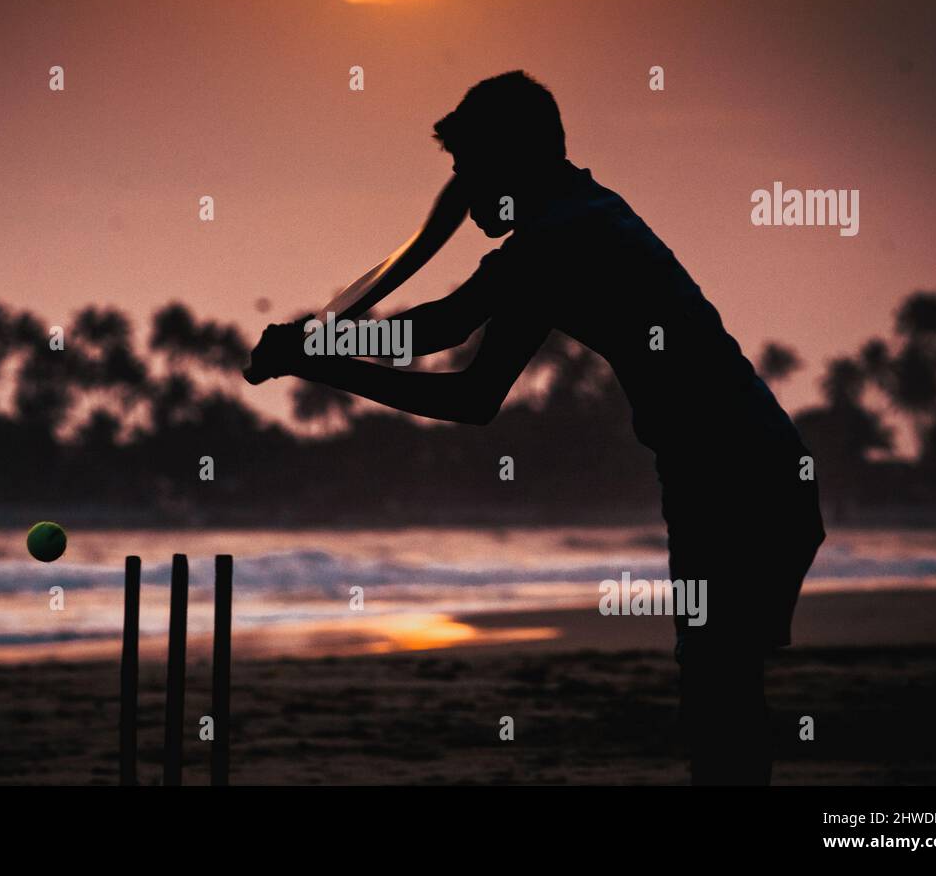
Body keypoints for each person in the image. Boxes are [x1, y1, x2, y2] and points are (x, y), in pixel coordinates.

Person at [247, 70, 825, 785]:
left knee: (717, 689)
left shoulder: (562, 238)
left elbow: (442, 328)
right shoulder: (576, 215)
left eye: (468, 166)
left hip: (739, 480)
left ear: (511, 163)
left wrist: (316, 352)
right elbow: (477, 394)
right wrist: (320, 356)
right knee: (716, 687)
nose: (459, 184)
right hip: (734, 472)